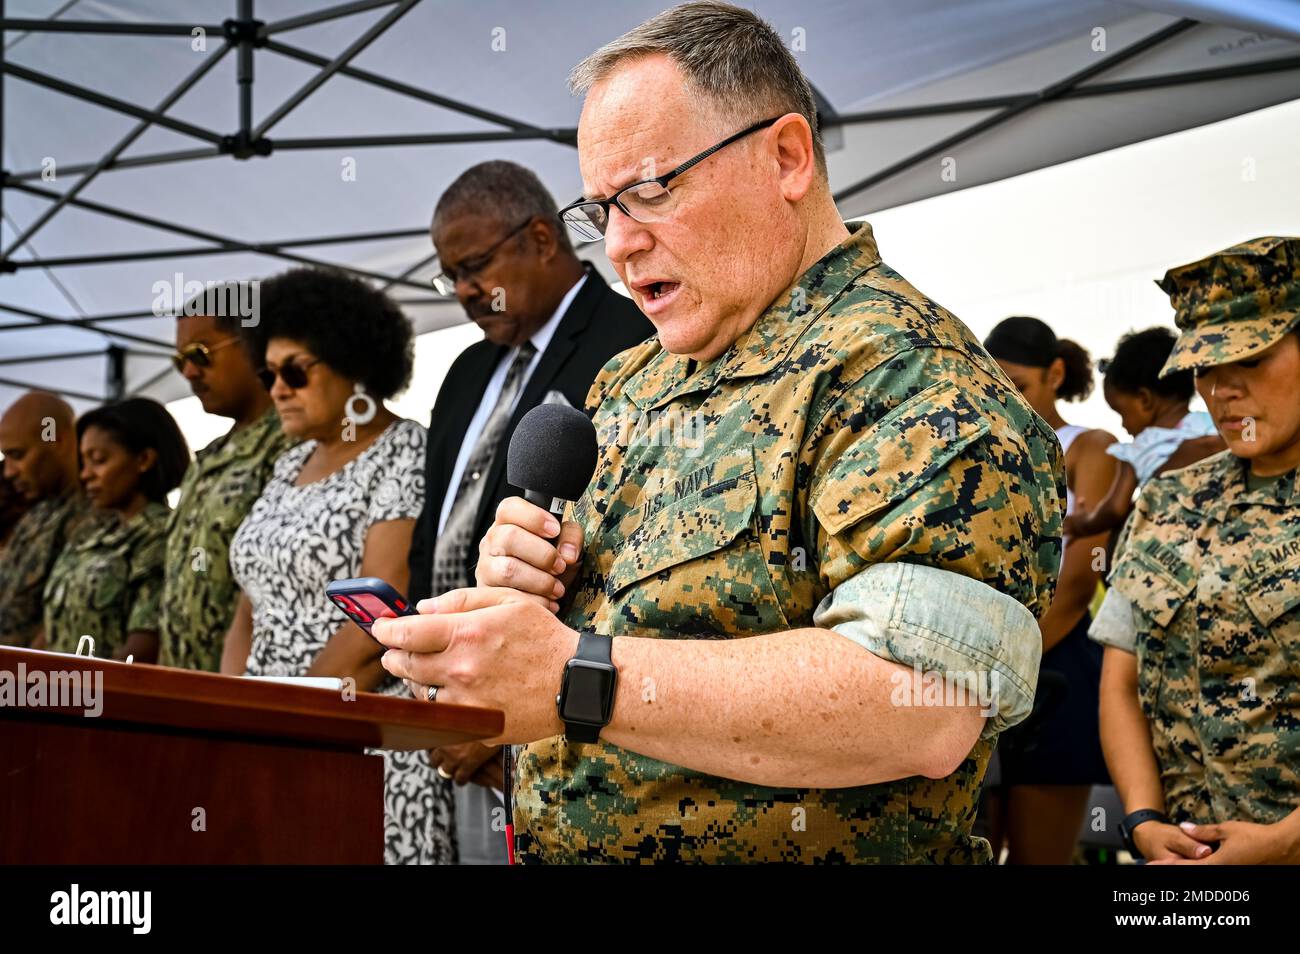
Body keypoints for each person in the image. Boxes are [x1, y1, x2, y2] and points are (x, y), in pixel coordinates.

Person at [375, 1, 1063, 864]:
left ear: (786, 157)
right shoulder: (632, 379)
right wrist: (525, 593)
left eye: (650, 190)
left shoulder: (908, 376)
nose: (620, 245)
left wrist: (571, 678)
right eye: (602, 210)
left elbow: (922, 706)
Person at [407, 160, 653, 864]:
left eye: (475, 265)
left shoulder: (632, 342)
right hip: (447, 721)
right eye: (449, 275)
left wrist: (500, 718)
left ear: (543, 238)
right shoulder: (465, 374)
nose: (461, 291)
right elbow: (435, 539)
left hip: (561, 728)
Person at [222, 267, 448, 865]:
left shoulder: (404, 452)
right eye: (267, 374)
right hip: (272, 738)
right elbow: (251, 604)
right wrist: (230, 708)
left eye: (295, 370)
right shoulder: (284, 467)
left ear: (355, 363)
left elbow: (381, 617)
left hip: (356, 742)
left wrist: (294, 719)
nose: (277, 388)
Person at [1092, 236, 1300, 864]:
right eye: (1206, 367)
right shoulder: (1169, 499)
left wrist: (1283, 842)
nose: (1223, 389)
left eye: (1253, 359)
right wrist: (1144, 818)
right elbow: (1122, 682)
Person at [982, 316, 1116, 864]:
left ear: (1055, 373)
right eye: (995, 383)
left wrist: (1010, 666)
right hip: (981, 670)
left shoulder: (1091, 447)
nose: (1004, 397)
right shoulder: (983, 446)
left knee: (1042, 857)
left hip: (1053, 665)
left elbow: (1079, 578)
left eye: (1019, 385)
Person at [159, 284, 296, 672]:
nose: (188, 372)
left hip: (248, 689)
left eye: (199, 355)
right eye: (179, 360)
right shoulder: (209, 458)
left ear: (254, 345)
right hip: (183, 689)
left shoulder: (293, 444)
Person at [43, 398, 190, 661]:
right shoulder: (91, 535)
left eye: (98, 460)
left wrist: (87, 692)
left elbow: (144, 644)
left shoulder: (160, 536)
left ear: (144, 459)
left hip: (104, 696)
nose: (85, 474)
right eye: (83, 463)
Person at [1063, 327, 1223, 539]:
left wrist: (1082, 524)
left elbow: (1114, 509)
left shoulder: (1138, 451)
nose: (1123, 425)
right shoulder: (1213, 423)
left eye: (1122, 413)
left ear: (1145, 400)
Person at [0, 392, 92, 647]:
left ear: (57, 440)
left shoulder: (93, 515)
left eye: (17, 455)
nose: (8, 472)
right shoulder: (38, 512)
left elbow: (61, 620)